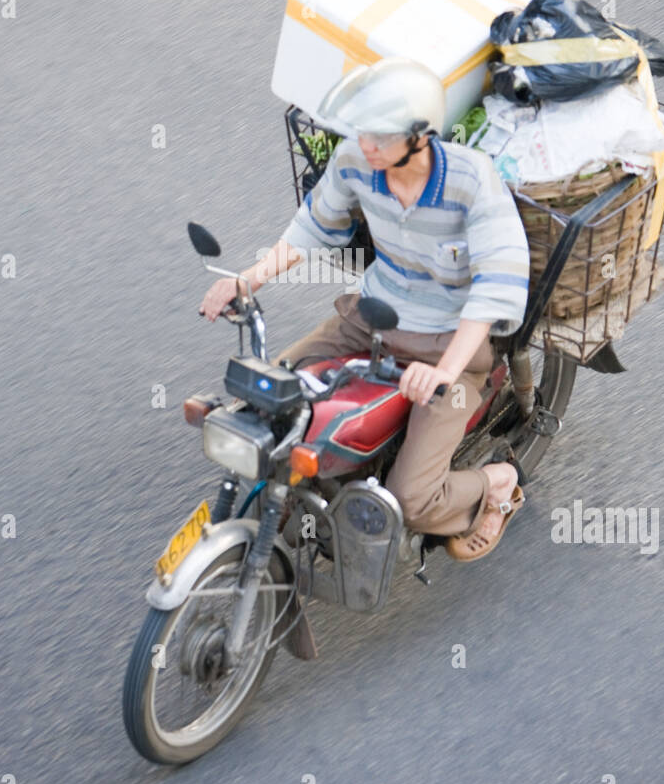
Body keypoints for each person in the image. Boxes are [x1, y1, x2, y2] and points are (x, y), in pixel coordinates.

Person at [199, 58, 530, 561]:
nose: (365, 144)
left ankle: (497, 483)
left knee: (412, 501)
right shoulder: (357, 161)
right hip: (368, 319)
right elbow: (314, 224)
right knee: (266, 404)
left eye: (380, 135)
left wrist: (444, 372)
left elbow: (493, 289)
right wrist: (248, 279)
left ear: (419, 136)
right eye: (363, 133)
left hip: (448, 343)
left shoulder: (471, 180)